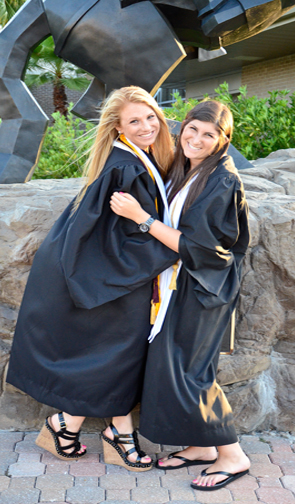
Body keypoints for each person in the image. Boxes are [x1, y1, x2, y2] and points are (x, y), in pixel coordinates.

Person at [7, 86, 176, 471]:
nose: (147, 125)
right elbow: (109, 235)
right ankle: (113, 434)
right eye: (135, 120)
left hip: (119, 276)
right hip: (107, 276)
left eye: (151, 116)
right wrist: (175, 247)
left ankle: (66, 426)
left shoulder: (140, 158)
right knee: (117, 355)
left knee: (117, 356)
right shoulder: (124, 167)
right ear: (118, 127)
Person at [110, 100, 252, 490]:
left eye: (209, 134)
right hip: (180, 286)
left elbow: (198, 248)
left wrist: (141, 218)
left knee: (191, 372)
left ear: (223, 141)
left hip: (204, 288)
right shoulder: (187, 169)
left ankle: (231, 455)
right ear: (183, 127)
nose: (197, 139)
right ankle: (202, 446)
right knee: (173, 367)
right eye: (193, 129)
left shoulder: (221, 181)